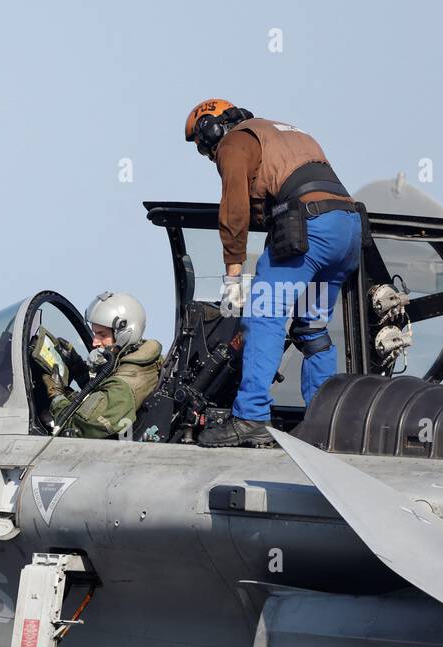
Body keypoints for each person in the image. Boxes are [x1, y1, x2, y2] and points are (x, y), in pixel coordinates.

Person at [184, 99, 362, 447]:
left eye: (205, 148)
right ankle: (322, 424)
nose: (210, 156)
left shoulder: (235, 141)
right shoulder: (284, 133)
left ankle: (251, 416)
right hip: (348, 228)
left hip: (310, 229)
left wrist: (233, 274)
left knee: (263, 315)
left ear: (211, 129)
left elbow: (234, 207)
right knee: (311, 327)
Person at [42, 291, 163, 438]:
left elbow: (78, 427)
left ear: (125, 334)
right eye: (95, 334)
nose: (95, 342)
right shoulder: (138, 361)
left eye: (102, 334)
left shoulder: (123, 387)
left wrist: (57, 396)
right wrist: (78, 368)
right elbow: (101, 396)